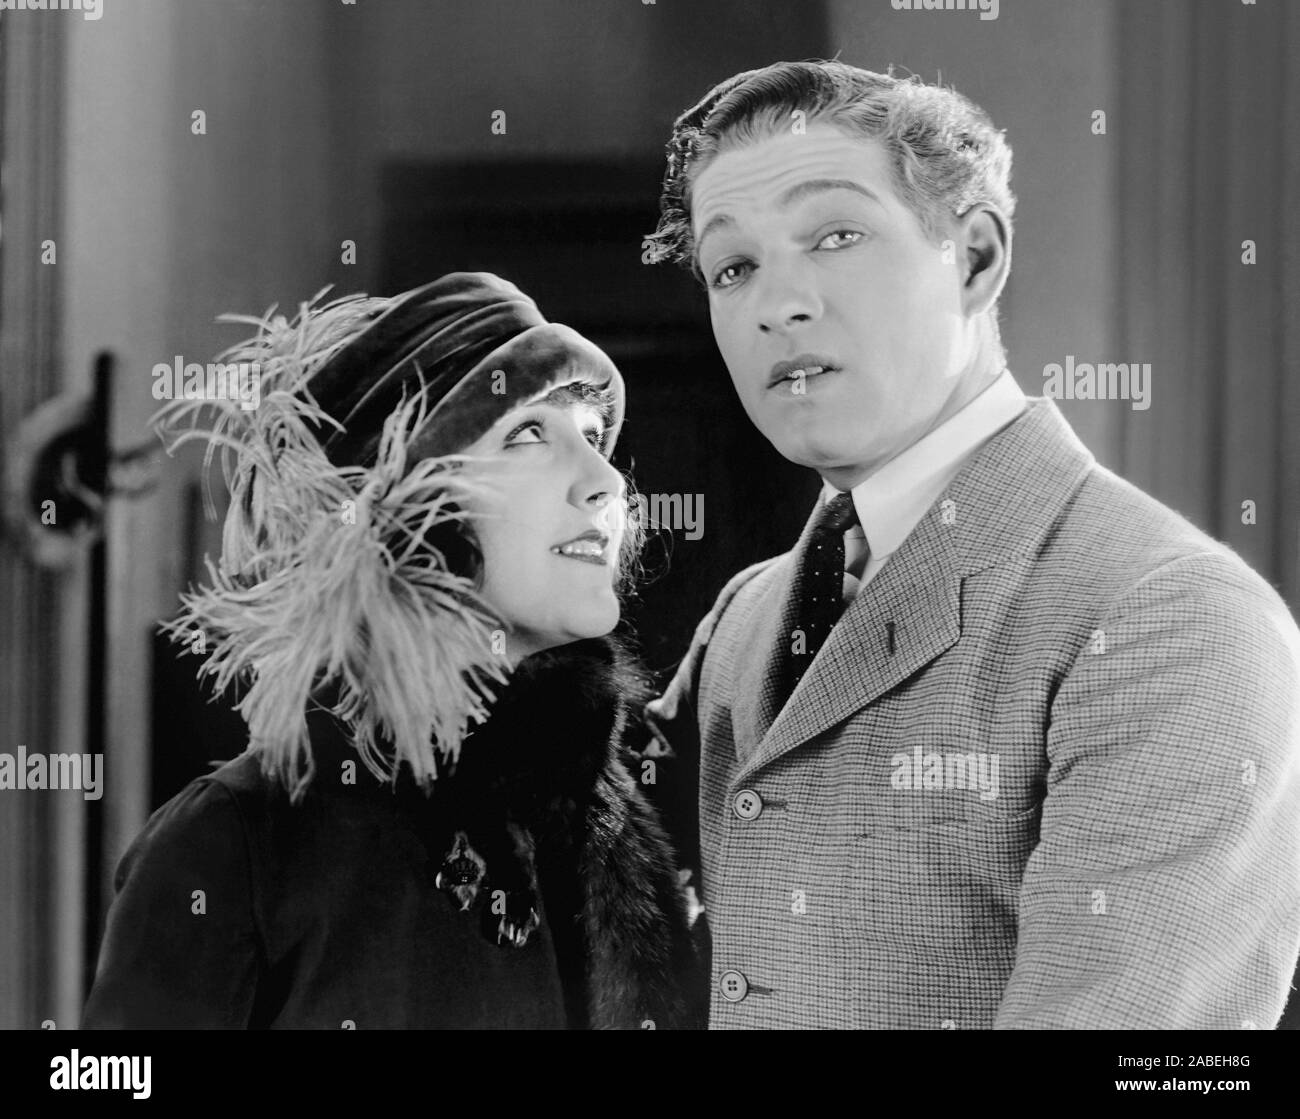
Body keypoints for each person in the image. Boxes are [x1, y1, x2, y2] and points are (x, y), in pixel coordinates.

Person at [640, 60, 1300, 1029]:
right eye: (732, 266)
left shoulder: (1172, 616)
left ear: (976, 256)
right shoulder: (744, 619)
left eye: (834, 235)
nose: (774, 304)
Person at [82, 272, 701, 1029]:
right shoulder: (239, 842)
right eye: (530, 433)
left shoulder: (627, 820)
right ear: (402, 507)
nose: (605, 478)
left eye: (593, 435)